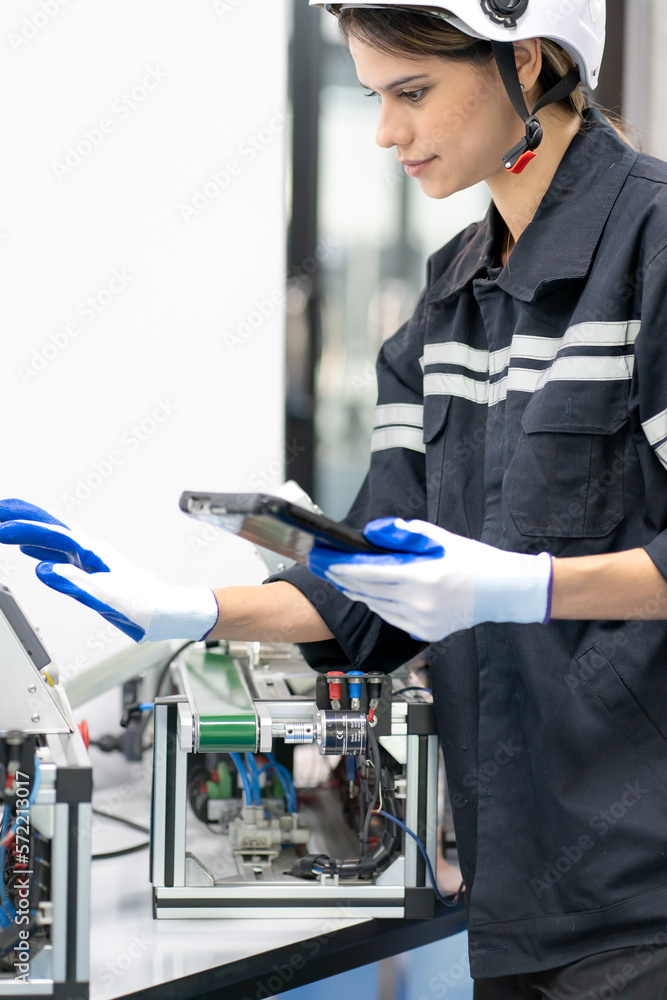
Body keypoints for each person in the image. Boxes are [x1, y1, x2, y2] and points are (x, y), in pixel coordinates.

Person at [3, 0, 667, 995]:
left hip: (645, 899)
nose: (387, 132)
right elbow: (363, 594)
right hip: (515, 892)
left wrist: (522, 587)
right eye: (373, 96)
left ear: (527, 63)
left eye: (412, 92)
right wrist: (190, 609)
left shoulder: (653, 245)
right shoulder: (445, 305)